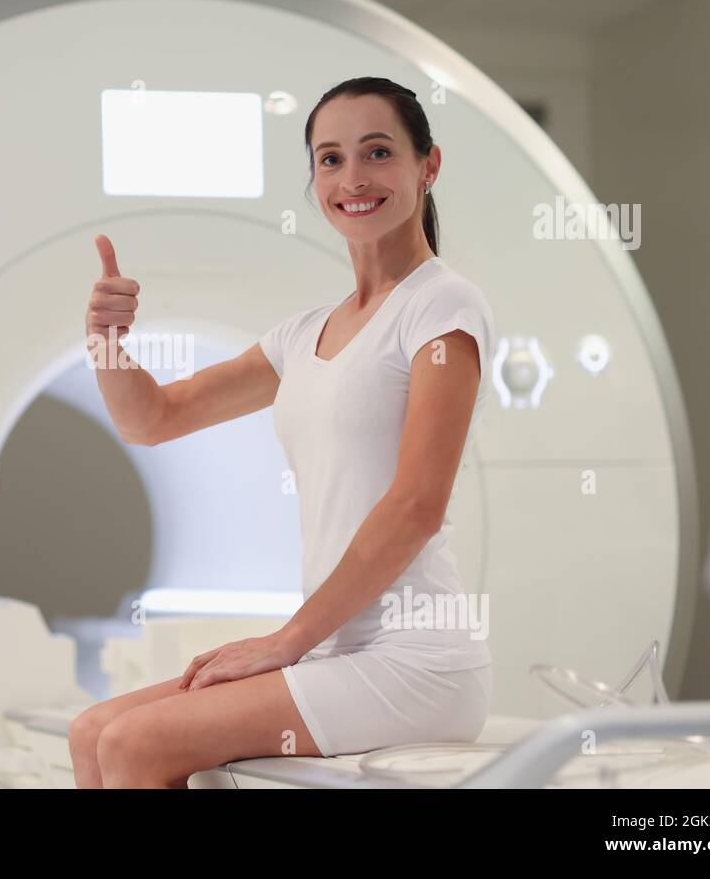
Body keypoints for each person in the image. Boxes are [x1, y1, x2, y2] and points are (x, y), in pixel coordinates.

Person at [71, 77, 494, 789]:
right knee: (93, 734)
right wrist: (106, 341)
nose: (352, 178)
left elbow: (417, 505)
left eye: (377, 152)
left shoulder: (442, 304)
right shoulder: (305, 334)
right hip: (335, 654)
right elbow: (152, 419)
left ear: (429, 165)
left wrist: (286, 640)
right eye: (330, 159)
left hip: (418, 658)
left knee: (136, 745)